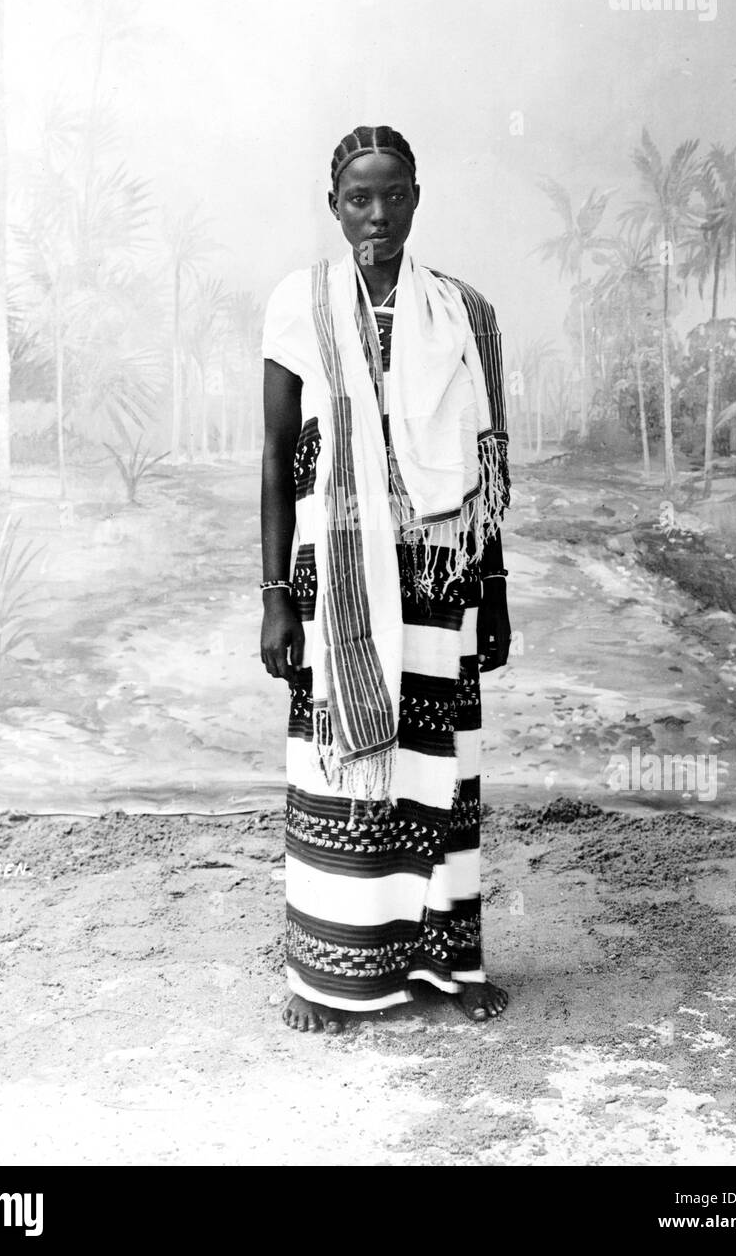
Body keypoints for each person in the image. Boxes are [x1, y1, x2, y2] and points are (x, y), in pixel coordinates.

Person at [259, 125, 512, 1034]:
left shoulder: (463, 311)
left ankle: (445, 967)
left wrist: (497, 591)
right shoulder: (303, 305)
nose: (377, 214)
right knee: (344, 767)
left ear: (415, 196)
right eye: (359, 198)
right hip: (337, 578)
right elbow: (277, 455)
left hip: (440, 570)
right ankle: (326, 976)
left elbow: (483, 465)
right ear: (334, 205)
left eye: (394, 194)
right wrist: (273, 598)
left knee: (439, 770)